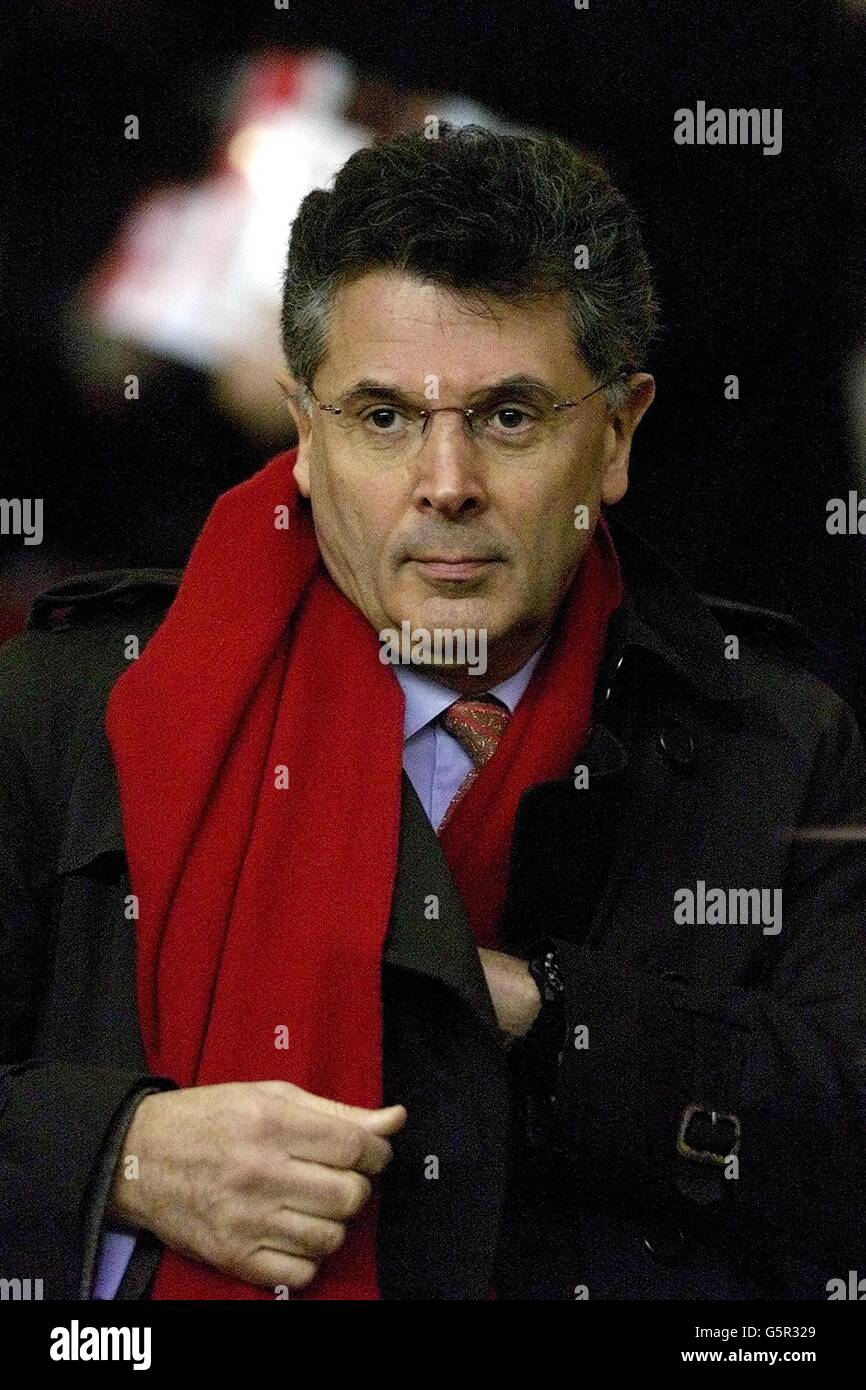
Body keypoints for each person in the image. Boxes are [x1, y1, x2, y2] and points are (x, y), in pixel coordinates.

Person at [1, 124, 865, 1302]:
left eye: (508, 416)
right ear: (303, 437)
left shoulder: (782, 740)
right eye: (382, 417)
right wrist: (120, 1155)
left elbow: (835, 1154)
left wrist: (542, 1011)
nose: (445, 480)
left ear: (615, 434)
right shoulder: (68, 708)